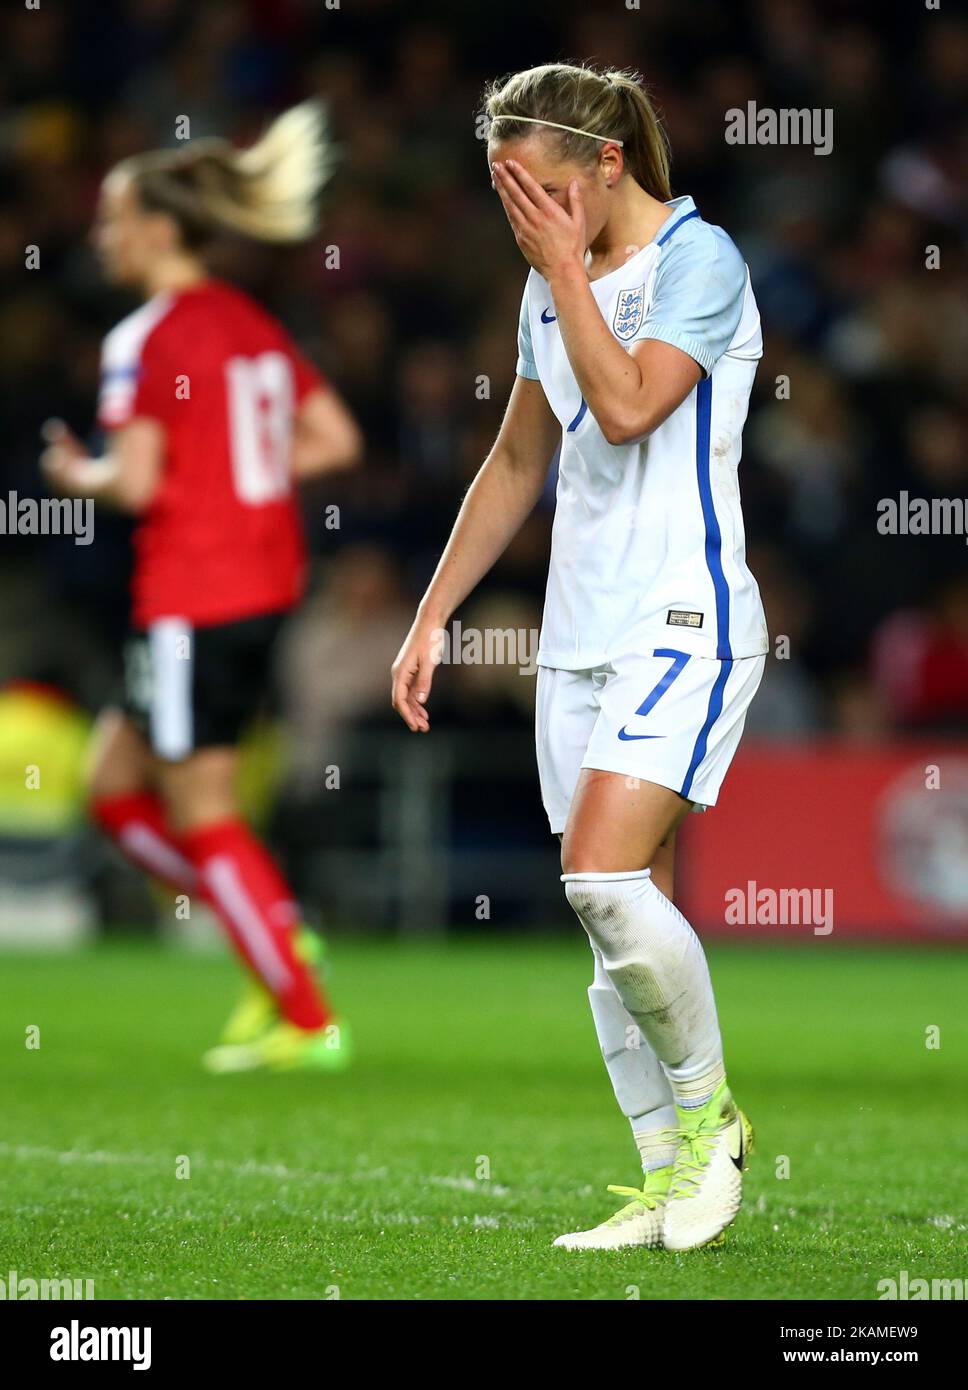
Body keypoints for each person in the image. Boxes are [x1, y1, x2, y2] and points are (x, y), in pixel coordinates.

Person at [391, 63, 767, 1252]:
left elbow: (625, 408)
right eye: (507, 197)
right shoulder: (543, 281)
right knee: (613, 916)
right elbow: (517, 460)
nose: (527, 220)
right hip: (577, 637)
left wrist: (562, 273)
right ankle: (660, 1173)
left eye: (543, 193)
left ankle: (713, 1127)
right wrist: (432, 613)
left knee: (601, 879)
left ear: (607, 165)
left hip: (686, 616)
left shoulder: (699, 264)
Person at [42, 104, 362, 1074]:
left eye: (112, 218)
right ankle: (260, 921)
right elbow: (333, 440)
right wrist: (234, 471)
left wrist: (77, 476)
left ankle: (305, 1017)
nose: (101, 236)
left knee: (202, 809)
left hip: (194, 592)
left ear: (156, 228)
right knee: (109, 786)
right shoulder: (246, 322)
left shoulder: (145, 338)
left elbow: (133, 482)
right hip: (259, 587)